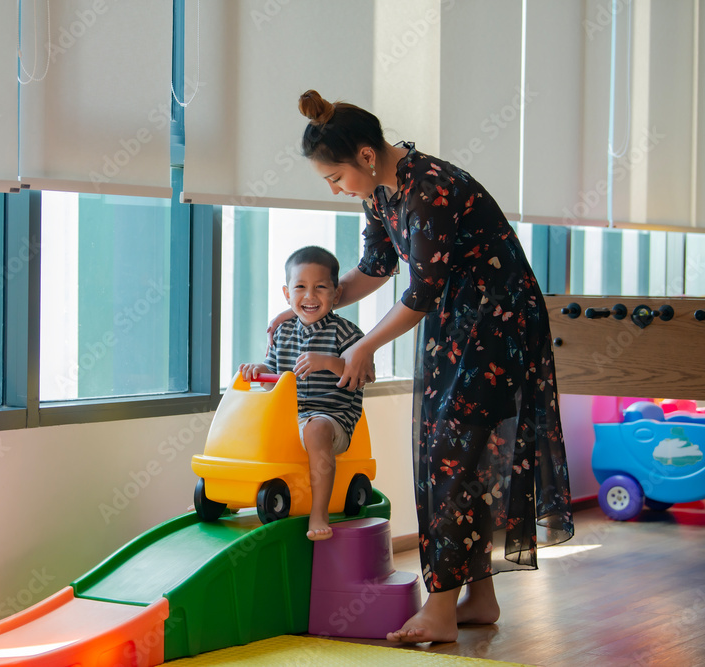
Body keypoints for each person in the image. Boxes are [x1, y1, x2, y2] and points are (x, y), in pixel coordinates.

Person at [266, 90, 574, 643]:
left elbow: (422, 291)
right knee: (453, 453)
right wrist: (310, 304)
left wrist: (363, 347)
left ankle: (441, 607)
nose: (335, 189)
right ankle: (479, 598)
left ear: (365, 156)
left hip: (494, 323)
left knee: (453, 454)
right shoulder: (379, 192)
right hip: (455, 325)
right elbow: (374, 267)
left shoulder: (430, 188)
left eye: (335, 177)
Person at [240, 245, 364, 542]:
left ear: (336, 294)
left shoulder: (346, 333)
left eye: (320, 287)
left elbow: (363, 375)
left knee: (315, 429)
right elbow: (274, 379)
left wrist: (329, 362)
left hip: (332, 420)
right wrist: (259, 370)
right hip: (290, 420)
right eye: (300, 287)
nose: (310, 296)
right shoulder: (283, 332)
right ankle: (225, 495)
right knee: (248, 424)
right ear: (287, 294)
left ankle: (319, 512)